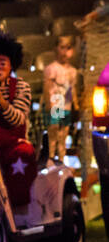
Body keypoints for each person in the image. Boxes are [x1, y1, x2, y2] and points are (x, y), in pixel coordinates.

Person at [0, 35, 38, 208]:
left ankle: (17, 206)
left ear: (11, 65)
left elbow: (18, 119)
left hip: (10, 144)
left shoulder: (21, 87)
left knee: (24, 153)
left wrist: (3, 103)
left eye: (2, 63)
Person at [43, 35, 80, 163]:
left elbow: (73, 88)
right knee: (53, 131)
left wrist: (76, 105)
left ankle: (62, 158)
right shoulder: (51, 68)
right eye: (62, 47)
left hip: (67, 104)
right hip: (56, 103)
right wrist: (49, 104)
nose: (65, 51)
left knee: (64, 133)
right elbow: (47, 88)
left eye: (68, 48)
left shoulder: (73, 71)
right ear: (56, 49)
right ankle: (51, 157)